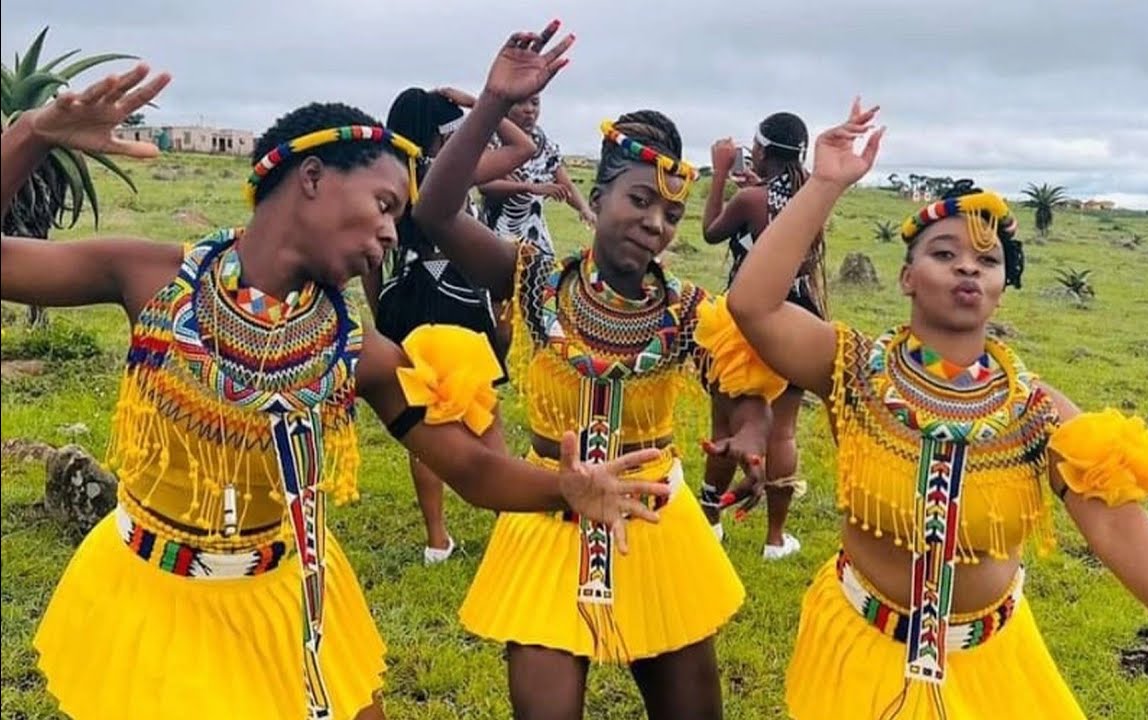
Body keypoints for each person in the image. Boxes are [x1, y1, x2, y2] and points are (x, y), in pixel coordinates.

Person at [1, 64, 668, 720]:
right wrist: (35, 131)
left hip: (291, 599)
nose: (388, 234)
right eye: (383, 205)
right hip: (149, 594)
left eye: (398, 218)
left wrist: (565, 488)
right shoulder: (152, 277)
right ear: (313, 177)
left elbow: (473, 468)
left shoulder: (360, 354)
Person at [726, 99, 1148, 720]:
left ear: (1004, 285)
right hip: (861, 645)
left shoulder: (1035, 411)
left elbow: (1116, 523)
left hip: (993, 665)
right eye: (944, 253)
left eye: (987, 261)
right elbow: (753, 306)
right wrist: (825, 185)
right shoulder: (852, 369)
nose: (967, 269)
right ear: (907, 276)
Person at [414, 23, 782, 720]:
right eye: (639, 201)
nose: (654, 224)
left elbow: (743, 388)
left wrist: (752, 437)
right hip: (546, 513)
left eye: (671, 214)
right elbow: (434, 209)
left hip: (653, 520)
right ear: (600, 195)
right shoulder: (530, 280)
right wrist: (492, 103)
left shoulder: (688, 312)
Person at [363, 86, 535, 566]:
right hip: (457, 299)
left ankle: (436, 540)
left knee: (422, 422)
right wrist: (482, 102)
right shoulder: (447, 173)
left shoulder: (387, 177)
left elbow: (371, 263)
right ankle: (509, 527)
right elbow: (525, 148)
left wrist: (383, 311)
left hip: (403, 303)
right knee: (483, 416)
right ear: (442, 131)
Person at [699, 111, 826, 559]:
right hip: (799, 316)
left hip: (745, 321)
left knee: (724, 421)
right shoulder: (809, 197)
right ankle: (774, 539)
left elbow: (712, 232)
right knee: (784, 431)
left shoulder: (751, 200)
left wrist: (719, 175)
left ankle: (711, 521)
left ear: (763, 150)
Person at [480, 92, 595, 257]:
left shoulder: (544, 143)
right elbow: (484, 185)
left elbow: (565, 186)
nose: (529, 110)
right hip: (497, 235)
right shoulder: (492, 140)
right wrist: (530, 188)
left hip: (536, 239)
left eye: (535, 103)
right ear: (505, 107)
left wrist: (585, 209)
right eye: (520, 103)